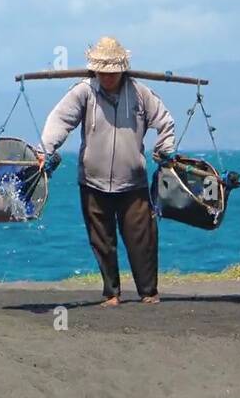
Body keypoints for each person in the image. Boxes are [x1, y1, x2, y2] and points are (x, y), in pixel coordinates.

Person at [40, 36, 176, 307]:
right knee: (102, 240)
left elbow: (165, 122)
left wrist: (165, 148)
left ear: (122, 70)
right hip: (92, 181)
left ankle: (148, 292)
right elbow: (60, 120)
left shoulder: (140, 94)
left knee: (143, 239)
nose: (108, 77)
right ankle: (111, 293)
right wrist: (47, 149)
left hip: (133, 182)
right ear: (95, 70)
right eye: (103, 72)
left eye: (112, 72)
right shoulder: (83, 92)